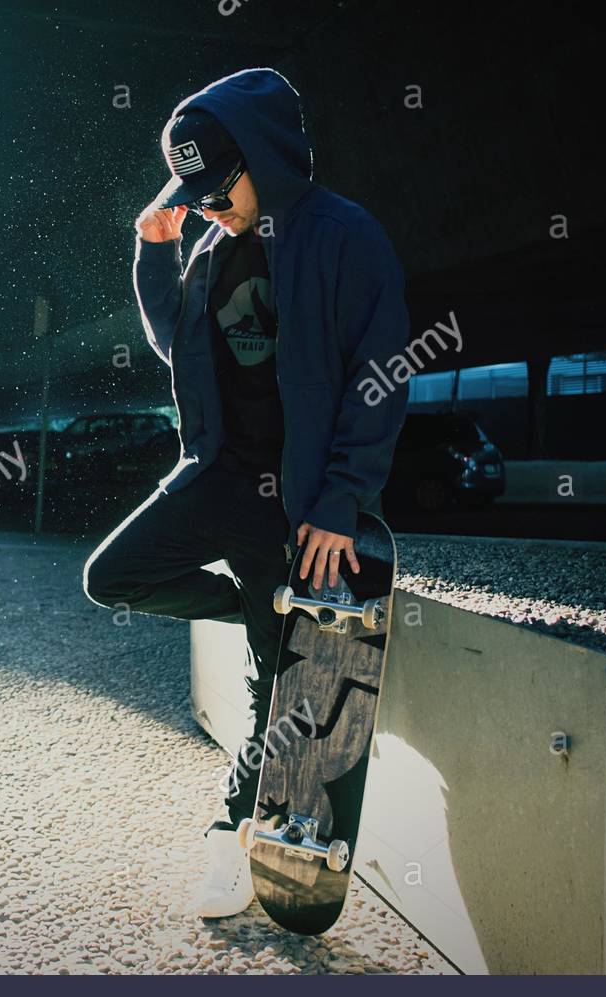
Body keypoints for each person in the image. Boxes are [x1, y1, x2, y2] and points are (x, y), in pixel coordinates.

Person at [82, 68, 410, 919]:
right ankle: (254, 604)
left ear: (265, 157)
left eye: (215, 188)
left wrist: (341, 502)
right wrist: (154, 252)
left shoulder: (343, 236)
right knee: (112, 578)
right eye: (191, 194)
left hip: (296, 504)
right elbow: (179, 349)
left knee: (278, 686)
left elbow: (379, 375)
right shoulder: (208, 244)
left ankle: (236, 832)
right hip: (219, 475)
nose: (205, 205)